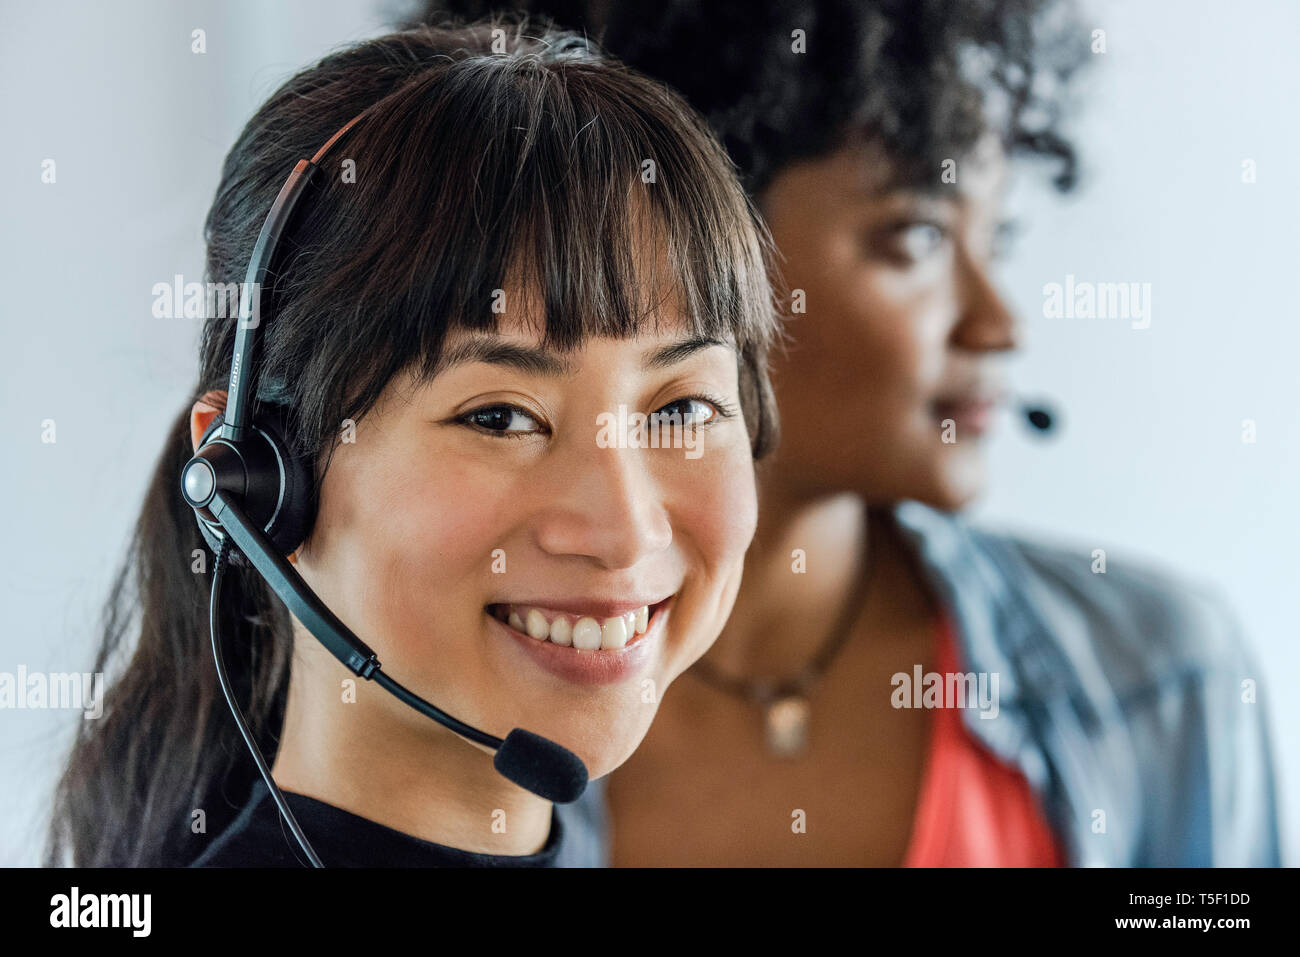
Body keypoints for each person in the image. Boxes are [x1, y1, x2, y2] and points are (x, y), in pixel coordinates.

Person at [406, 0, 1283, 866]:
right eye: (918, 239)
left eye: (998, 238)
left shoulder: (1162, 680)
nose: (999, 322)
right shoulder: (410, 698)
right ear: (688, 247)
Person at [44, 19, 783, 867]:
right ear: (252, 483)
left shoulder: (569, 822)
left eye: (682, 409)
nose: (625, 532)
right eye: (500, 417)